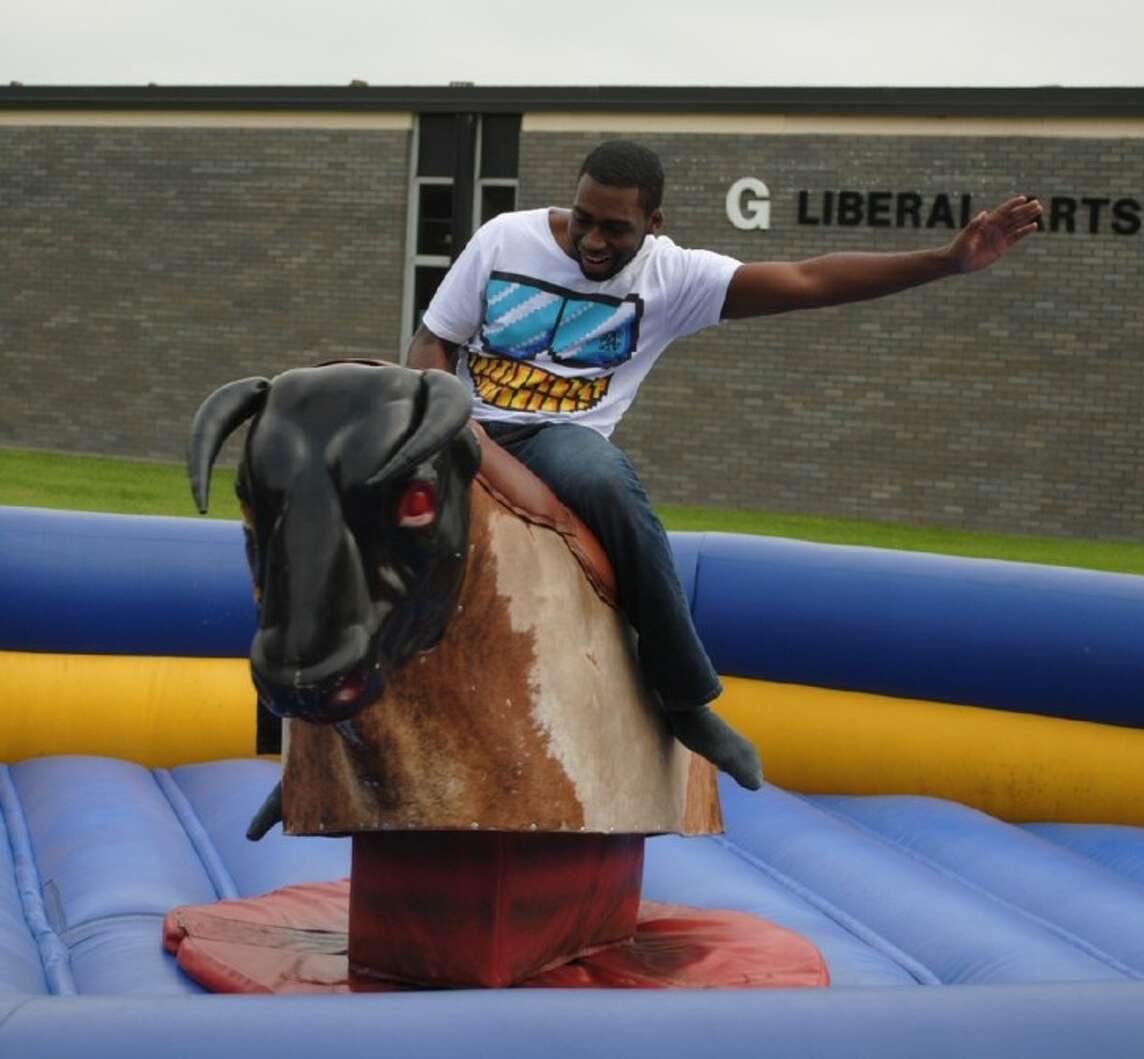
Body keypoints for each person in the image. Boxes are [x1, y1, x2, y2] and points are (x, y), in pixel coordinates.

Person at [406, 140, 1041, 793]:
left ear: (653, 225)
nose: (592, 241)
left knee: (604, 479)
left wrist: (945, 261)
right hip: (463, 417)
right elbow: (433, 339)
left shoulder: (674, 277)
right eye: (583, 219)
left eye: (615, 229)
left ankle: (683, 698)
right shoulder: (506, 239)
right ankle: (307, 704)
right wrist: (447, 426)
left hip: (556, 437)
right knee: (342, 454)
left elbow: (807, 280)